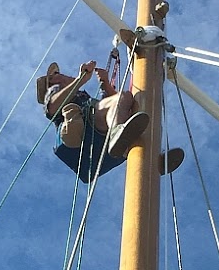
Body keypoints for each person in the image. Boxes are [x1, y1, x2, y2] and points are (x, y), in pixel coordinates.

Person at [37, 59, 184, 181]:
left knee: (130, 107)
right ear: (50, 82)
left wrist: (106, 84)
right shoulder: (54, 91)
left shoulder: (82, 96)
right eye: (55, 74)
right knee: (123, 98)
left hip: (99, 142)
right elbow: (52, 108)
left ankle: (149, 157)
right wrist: (80, 79)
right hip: (84, 137)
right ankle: (103, 133)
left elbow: (117, 105)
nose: (60, 74)